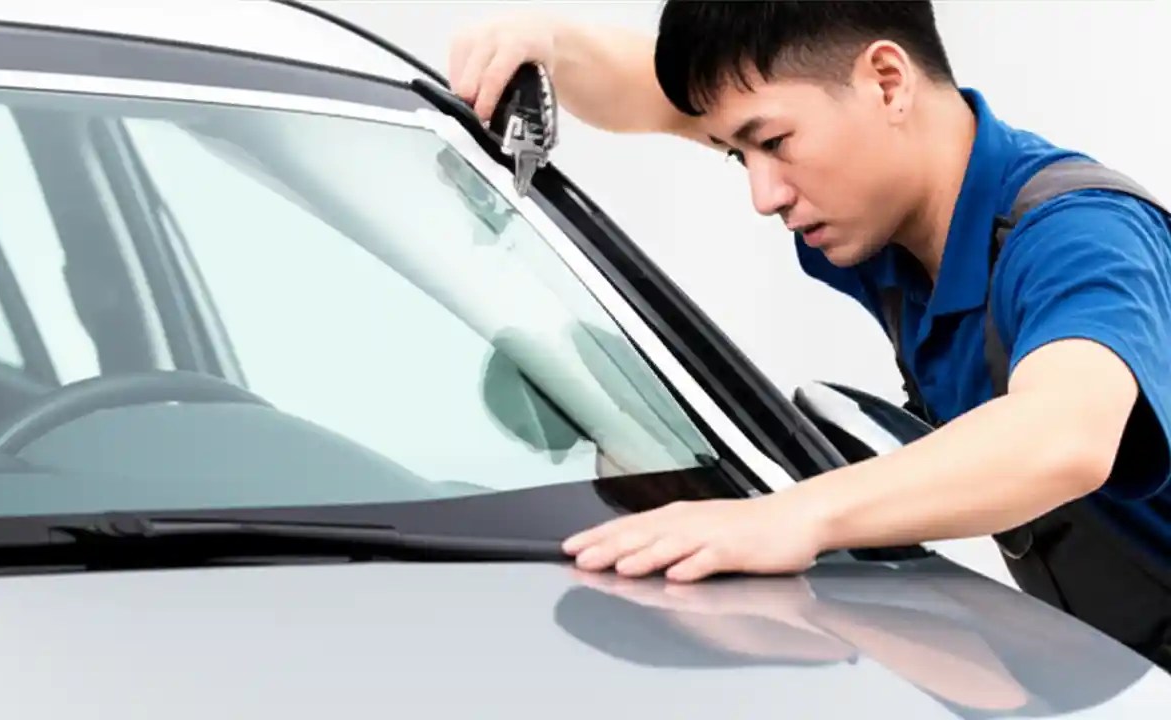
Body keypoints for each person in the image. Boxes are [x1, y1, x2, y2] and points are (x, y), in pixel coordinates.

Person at [449, 0, 1171, 668]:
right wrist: (546, 40)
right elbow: (658, 93)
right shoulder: (888, 222)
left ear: (887, 82)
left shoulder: (1082, 236)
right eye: (739, 156)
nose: (763, 196)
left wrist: (789, 518)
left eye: (774, 144)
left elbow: (1064, 436)